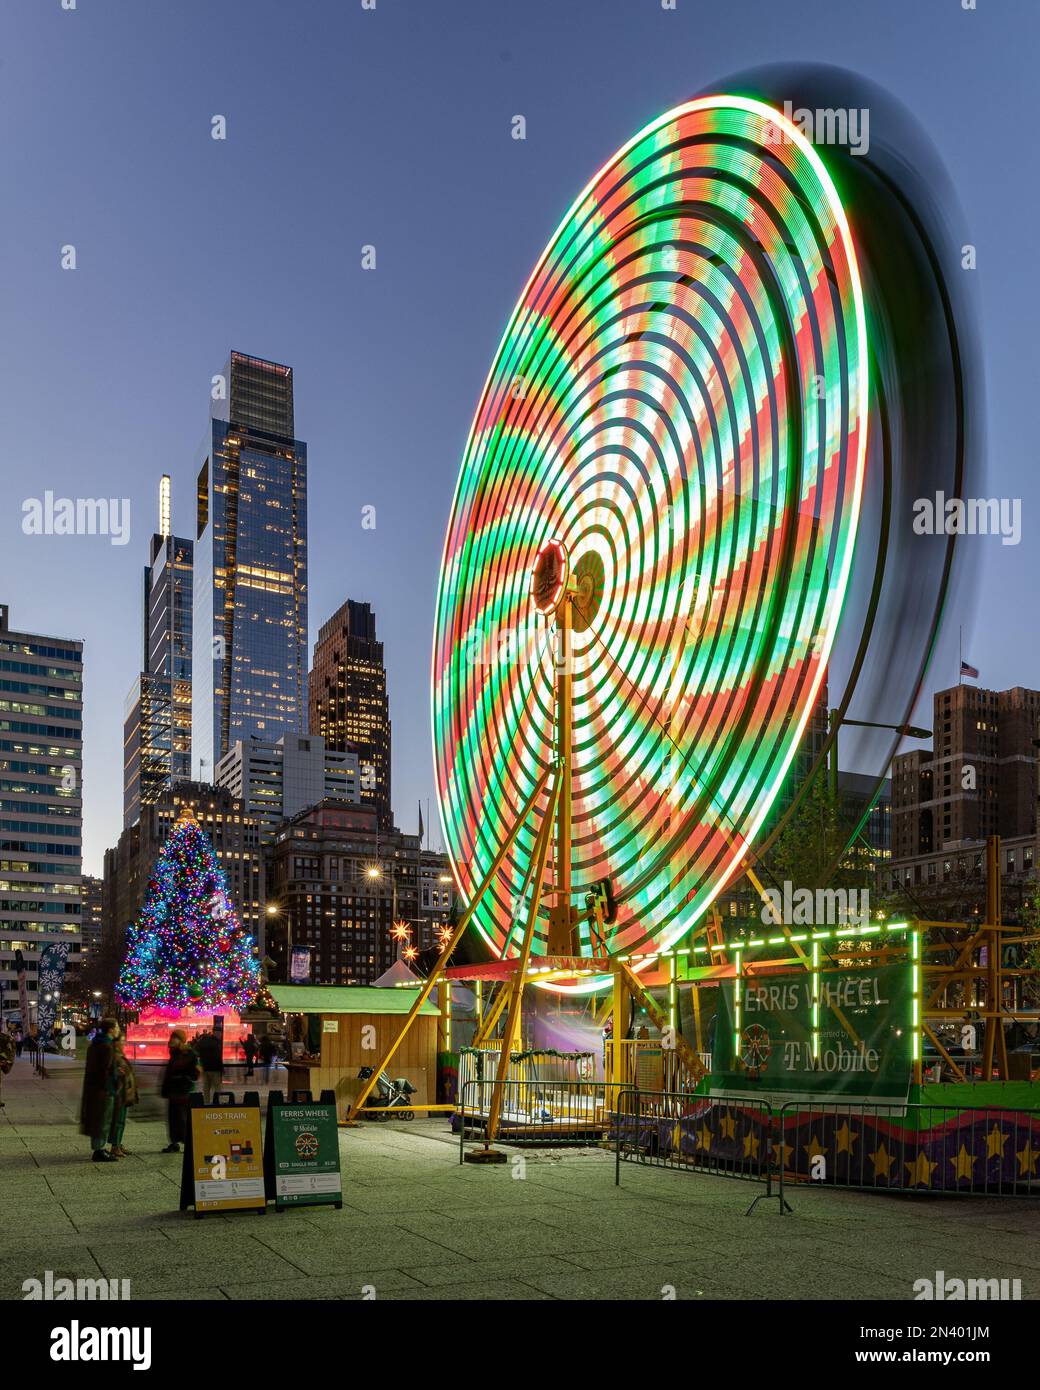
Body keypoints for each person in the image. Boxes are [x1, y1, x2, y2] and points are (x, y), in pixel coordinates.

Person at [79, 1018, 119, 1162]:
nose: (118, 1030)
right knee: (103, 1119)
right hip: (104, 1089)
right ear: (111, 1029)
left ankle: (98, 1147)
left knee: (98, 1118)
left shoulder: (95, 1044)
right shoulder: (107, 1046)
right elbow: (105, 1070)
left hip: (94, 1088)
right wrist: (110, 1086)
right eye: (117, 1027)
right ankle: (99, 1149)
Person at [160, 1029, 200, 1153]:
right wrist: (165, 1088)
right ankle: (174, 1142)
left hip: (183, 1091)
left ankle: (188, 1142)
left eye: (175, 1038)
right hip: (173, 1090)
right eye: (172, 1037)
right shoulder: (174, 1053)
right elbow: (169, 1072)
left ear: (181, 1040)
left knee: (182, 1118)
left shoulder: (190, 1053)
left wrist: (184, 1079)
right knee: (172, 1118)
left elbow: (196, 1072)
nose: (172, 1040)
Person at [108, 1035, 138, 1157]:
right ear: (115, 1044)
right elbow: (112, 1073)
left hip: (124, 1093)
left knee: (121, 1120)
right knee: (118, 1121)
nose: (124, 1043)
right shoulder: (114, 1057)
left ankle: (118, 1144)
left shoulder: (119, 1055)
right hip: (119, 1093)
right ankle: (115, 1146)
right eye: (121, 1041)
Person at [194, 1028, 224, 1104]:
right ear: (215, 1033)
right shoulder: (216, 1042)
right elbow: (217, 1057)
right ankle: (216, 1103)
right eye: (220, 1033)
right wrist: (221, 1069)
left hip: (205, 1068)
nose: (220, 1035)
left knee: (206, 1088)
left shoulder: (204, 1041)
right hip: (215, 1069)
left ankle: (206, 1104)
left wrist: (202, 1058)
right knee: (217, 1088)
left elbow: (195, 1049)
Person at [0, 1027, 15, 1109]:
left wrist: (6, 1061)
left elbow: (11, 1048)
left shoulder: (5, 1038)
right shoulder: (6, 1037)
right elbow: (12, 1048)